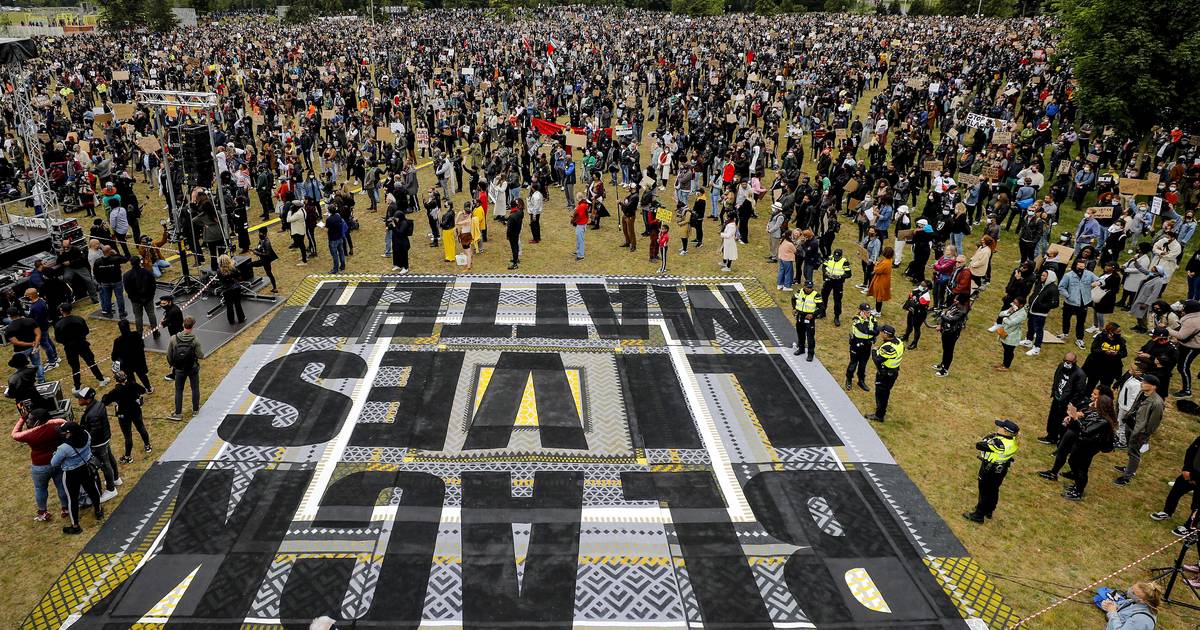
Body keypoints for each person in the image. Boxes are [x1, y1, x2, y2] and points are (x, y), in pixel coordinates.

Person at [1038, 392, 1117, 500]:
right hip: (1082, 443)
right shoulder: (1094, 412)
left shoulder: (1103, 421)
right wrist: (1075, 416)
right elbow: (1084, 422)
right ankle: (1077, 486)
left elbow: (1086, 431)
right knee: (1073, 462)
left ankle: (1078, 491)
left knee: (1081, 468)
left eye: (1096, 401)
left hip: (1089, 447)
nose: (1093, 401)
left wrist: (1075, 418)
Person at [11, 408, 67, 522]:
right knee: (61, 485)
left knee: (40, 488)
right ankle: (66, 508)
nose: (29, 421)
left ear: (38, 421)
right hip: (57, 461)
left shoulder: (30, 434)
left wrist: (22, 418)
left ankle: (43, 512)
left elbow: (15, 434)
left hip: (40, 466)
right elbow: (63, 422)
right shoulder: (56, 426)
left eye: (31, 419)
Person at [50, 421, 103, 535]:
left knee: (72, 499)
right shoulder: (86, 434)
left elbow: (54, 463)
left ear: (70, 434)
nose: (63, 434)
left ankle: (75, 526)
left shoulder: (64, 448)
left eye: (64, 433)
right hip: (86, 468)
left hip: (71, 473)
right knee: (93, 489)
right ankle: (98, 510)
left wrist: (55, 453)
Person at [963, 419, 1019, 523]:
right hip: (1002, 468)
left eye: (1001, 427)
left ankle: (978, 515)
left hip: (990, 468)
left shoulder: (998, 443)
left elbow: (979, 445)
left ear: (1006, 432)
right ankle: (989, 510)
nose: (998, 428)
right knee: (994, 489)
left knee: (984, 491)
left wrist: (988, 439)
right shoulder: (1014, 440)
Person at [1115, 374, 1164, 486]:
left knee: (1134, 453)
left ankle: (1127, 476)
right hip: (1130, 425)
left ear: (1153, 386)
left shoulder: (1157, 403)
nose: (1142, 384)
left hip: (1139, 432)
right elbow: (1135, 406)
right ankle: (1129, 468)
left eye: (1145, 382)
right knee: (1130, 449)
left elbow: (1153, 423)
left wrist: (1144, 434)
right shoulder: (1142, 393)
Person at [75, 386, 119, 503]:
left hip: (98, 443)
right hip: (104, 438)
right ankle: (115, 479)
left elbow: (94, 431)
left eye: (80, 398)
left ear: (87, 399)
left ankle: (111, 489)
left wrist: (86, 442)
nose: (78, 400)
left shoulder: (92, 414)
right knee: (109, 458)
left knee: (105, 465)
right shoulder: (98, 404)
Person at [54, 303, 109, 391]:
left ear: (61, 311)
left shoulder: (59, 324)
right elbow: (86, 331)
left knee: (75, 367)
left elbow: (58, 339)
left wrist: (67, 341)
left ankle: (77, 387)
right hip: (82, 344)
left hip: (70, 348)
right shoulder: (79, 319)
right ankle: (101, 379)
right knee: (91, 362)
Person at [1150, 433, 1200, 525]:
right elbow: (1190, 451)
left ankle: (1189, 526)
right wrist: (1186, 469)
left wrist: (1194, 477)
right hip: (1189, 473)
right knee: (1176, 490)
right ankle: (1168, 512)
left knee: (1196, 505)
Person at [102, 371, 150, 465]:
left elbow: (105, 401)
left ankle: (128, 456)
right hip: (135, 411)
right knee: (141, 428)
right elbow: (143, 390)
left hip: (124, 415)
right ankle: (147, 445)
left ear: (116, 380)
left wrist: (107, 397)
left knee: (128, 436)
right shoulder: (132, 384)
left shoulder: (115, 391)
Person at [167, 316, 203, 421]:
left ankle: (178, 413)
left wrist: (174, 365)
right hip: (192, 368)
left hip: (179, 369)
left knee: (179, 390)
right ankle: (195, 410)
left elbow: (169, 355)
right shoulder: (195, 339)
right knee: (195, 388)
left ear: (183, 325)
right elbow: (201, 355)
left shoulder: (174, 338)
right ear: (192, 326)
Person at [1058, 258, 1098, 349]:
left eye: (1083, 267)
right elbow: (1061, 287)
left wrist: (1098, 282)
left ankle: (1080, 339)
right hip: (1069, 303)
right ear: (1075, 266)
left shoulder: (1089, 274)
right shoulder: (1068, 275)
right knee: (1066, 319)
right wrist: (1068, 296)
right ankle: (1065, 333)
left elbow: (1100, 280)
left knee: (1081, 322)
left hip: (1083, 303)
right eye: (1079, 267)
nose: (1081, 269)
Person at [866, 325, 903, 422]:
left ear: (886, 334)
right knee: (885, 392)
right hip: (893, 371)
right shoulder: (899, 341)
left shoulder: (888, 348)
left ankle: (879, 415)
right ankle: (881, 411)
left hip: (885, 374)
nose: (880, 333)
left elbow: (877, 360)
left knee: (881, 394)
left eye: (882, 332)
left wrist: (874, 351)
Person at [1082, 322, 1129, 390]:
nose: (1119, 333)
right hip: (1096, 366)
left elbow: (1124, 353)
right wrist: (1104, 352)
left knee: (1105, 387)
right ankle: (1087, 397)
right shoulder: (1100, 337)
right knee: (1091, 384)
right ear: (1111, 331)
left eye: (1120, 332)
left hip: (1110, 369)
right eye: (1117, 332)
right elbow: (1093, 350)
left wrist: (1117, 354)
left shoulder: (1121, 340)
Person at [1024, 270, 1060, 356]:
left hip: (1040, 313)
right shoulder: (1040, 284)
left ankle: (1037, 348)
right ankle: (1029, 340)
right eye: (1042, 275)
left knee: (1038, 330)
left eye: (1044, 276)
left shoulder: (1053, 288)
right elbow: (1034, 294)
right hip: (1032, 310)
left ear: (1049, 277)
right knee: (1030, 326)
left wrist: (1042, 305)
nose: (1042, 277)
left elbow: (1055, 304)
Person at [933, 293, 970, 377]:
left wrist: (942, 315)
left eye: (957, 299)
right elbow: (946, 312)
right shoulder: (954, 305)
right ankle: (942, 364)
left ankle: (945, 369)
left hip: (952, 333)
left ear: (961, 301)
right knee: (945, 348)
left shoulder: (962, 311)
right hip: (945, 330)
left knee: (949, 351)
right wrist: (940, 325)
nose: (954, 300)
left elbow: (951, 320)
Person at [6, 306, 45, 383]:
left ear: (9, 316)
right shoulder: (30, 320)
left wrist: (32, 344)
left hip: (20, 351)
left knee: (21, 369)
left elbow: (16, 342)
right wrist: (35, 344)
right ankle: (42, 380)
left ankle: (26, 383)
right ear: (18, 312)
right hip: (34, 347)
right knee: (37, 364)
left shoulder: (9, 328)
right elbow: (38, 333)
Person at [845, 303, 878, 391]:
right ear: (861, 311)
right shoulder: (856, 318)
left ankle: (861, 381)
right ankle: (849, 379)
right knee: (853, 363)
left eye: (869, 311)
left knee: (863, 365)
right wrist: (866, 321)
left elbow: (877, 331)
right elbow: (864, 329)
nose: (868, 313)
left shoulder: (872, 317)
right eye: (866, 312)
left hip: (867, 345)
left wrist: (871, 332)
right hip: (857, 344)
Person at [121, 257, 158, 336]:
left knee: (138, 317)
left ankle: (139, 334)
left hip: (135, 300)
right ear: (139, 262)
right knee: (151, 314)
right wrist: (151, 295)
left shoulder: (126, 275)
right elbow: (153, 285)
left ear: (131, 263)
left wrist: (133, 298)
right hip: (148, 298)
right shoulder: (147, 272)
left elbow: (127, 289)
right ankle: (155, 332)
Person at [93, 245, 128, 319]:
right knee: (119, 297)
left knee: (107, 298)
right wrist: (116, 253)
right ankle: (122, 313)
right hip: (116, 281)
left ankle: (108, 313)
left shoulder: (98, 261)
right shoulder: (115, 259)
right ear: (110, 251)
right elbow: (125, 259)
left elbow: (95, 273)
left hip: (105, 282)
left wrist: (100, 281)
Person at [819, 248, 851, 326]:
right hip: (829, 280)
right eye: (835, 256)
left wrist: (840, 276)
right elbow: (824, 266)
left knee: (837, 300)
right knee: (824, 296)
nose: (836, 258)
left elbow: (849, 274)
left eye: (838, 257)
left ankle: (836, 317)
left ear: (841, 256)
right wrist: (826, 273)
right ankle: (822, 312)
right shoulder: (830, 258)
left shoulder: (844, 262)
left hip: (838, 283)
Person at [995, 296, 1028, 371]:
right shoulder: (1013, 309)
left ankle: (1006, 366)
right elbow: (1000, 314)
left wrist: (1005, 318)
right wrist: (1007, 312)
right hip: (1005, 331)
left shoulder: (1022, 314)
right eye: (1014, 302)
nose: (1013, 304)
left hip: (1013, 334)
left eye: (1015, 303)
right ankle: (1004, 363)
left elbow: (1011, 323)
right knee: (1005, 349)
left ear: (1021, 305)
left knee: (1009, 351)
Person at [793, 280, 821, 361]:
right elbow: (793, 298)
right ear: (804, 286)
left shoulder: (816, 295)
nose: (809, 289)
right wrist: (794, 308)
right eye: (808, 287)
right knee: (800, 333)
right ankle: (801, 349)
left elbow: (821, 308)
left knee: (810, 337)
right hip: (800, 316)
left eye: (810, 287)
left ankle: (810, 353)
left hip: (809, 318)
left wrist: (813, 315)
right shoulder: (800, 291)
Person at [900, 279, 931, 349]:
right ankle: (906, 336)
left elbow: (918, 305)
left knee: (916, 328)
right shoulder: (917, 290)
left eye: (923, 285)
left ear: (927, 287)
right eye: (921, 284)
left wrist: (912, 302)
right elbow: (910, 296)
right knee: (909, 324)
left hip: (920, 314)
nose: (920, 286)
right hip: (912, 311)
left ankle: (915, 343)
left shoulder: (926, 296)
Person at [250, 227, 279, 292]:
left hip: (265, 260)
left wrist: (257, 253)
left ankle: (275, 288)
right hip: (263, 260)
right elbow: (259, 248)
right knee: (269, 273)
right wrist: (255, 250)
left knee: (250, 265)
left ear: (264, 233)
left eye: (260, 233)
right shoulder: (261, 240)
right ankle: (275, 288)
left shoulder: (267, 242)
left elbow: (267, 254)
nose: (259, 234)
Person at [868, 246, 894, 314]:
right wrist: (878, 264)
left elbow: (877, 270)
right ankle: (877, 309)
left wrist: (876, 265)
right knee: (879, 296)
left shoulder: (885, 263)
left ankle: (878, 311)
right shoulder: (889, 260)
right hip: (884, 280)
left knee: (879, 297)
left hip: (881, 281)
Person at [390, 206, 413, 273]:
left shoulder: (404, 223)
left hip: (403, 242)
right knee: (396, 253)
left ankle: (405, 267)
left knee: (403, 255)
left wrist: (394, 226)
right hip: (396, 241)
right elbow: (392, 227)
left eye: (396, 218)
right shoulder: (397, 221)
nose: (396, 219)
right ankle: (398, 265)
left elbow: (400, 233)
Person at [286, 200, 308, 265]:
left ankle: (304, 261)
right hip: (302, 229)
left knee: (301, 245)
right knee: (302, 245)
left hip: (298, 231)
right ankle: (304, 257)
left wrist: (290, 211)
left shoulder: (298, 214)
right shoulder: (303, 210)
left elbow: (288, 219)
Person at [326, 207, 347, 274]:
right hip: (339, 237)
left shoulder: (329, 219)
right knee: (341, 252)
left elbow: (327, 228)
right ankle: (343, 265)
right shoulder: (338, 216)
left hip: (333, 238)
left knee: (334, 254)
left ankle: (335, 268)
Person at [506, 199, 524, 270]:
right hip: (517, 231)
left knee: (514, 247)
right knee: (515, 246)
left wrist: (507, 235)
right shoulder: (519, 212)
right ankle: (515, 259)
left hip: (512, 234)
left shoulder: (512, 216)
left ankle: (515, 263)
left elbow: (509, 228)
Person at [572, 193, 589, 261]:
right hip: (581, 224)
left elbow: (580, 216)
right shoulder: (583, 204)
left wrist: (574, 220)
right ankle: (578, 251)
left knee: (580, 239)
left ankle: (581, 255)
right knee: (579, 239)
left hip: (581, 224)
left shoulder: (582, 205)